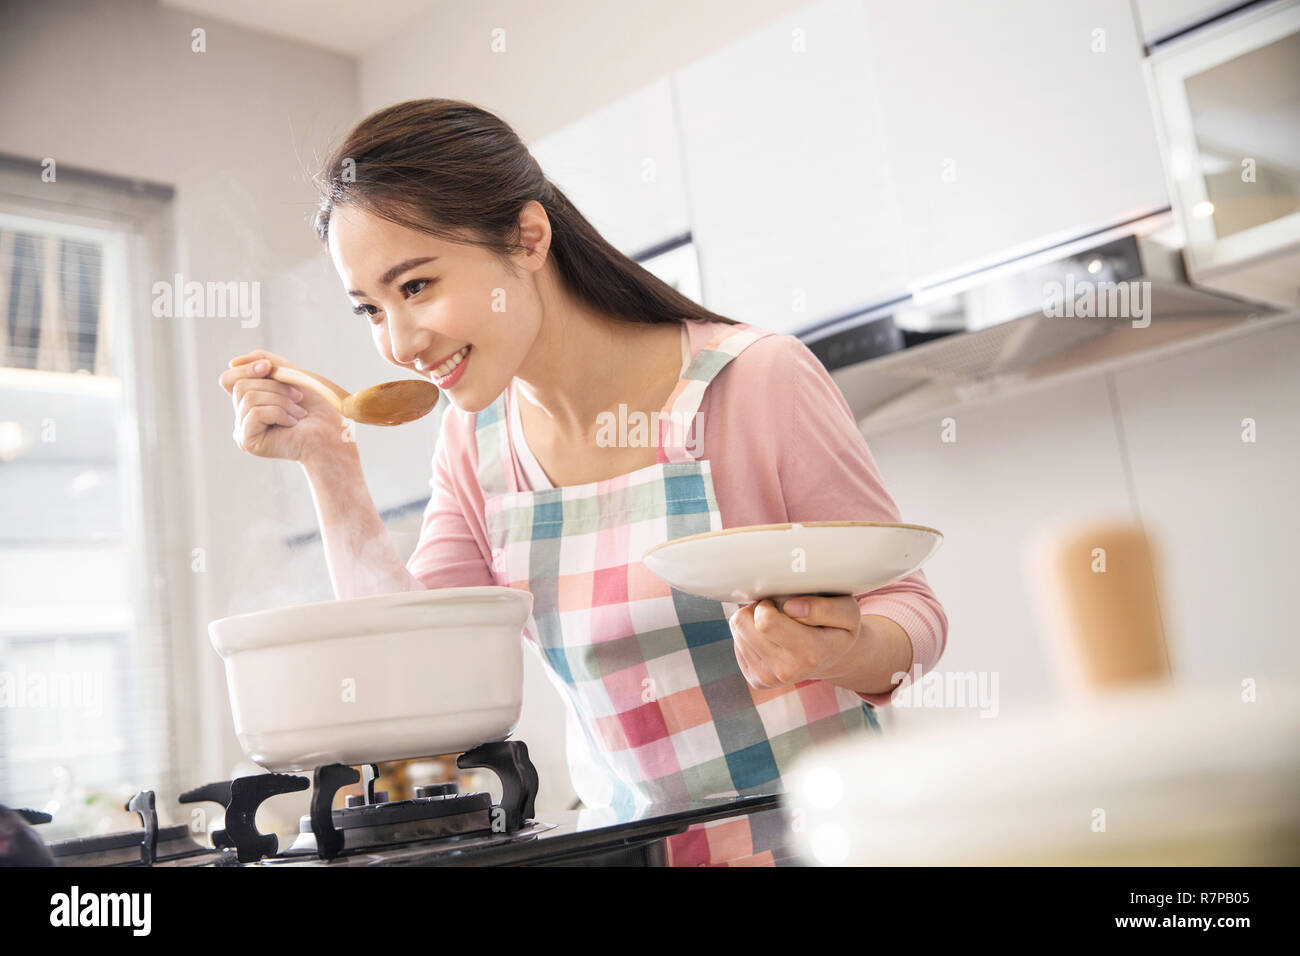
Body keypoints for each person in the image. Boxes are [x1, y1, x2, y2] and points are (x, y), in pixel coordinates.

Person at [218, 99, 948, 866]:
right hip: (636, 851)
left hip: (834, 842)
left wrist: (838, 648)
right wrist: (330, 464)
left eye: (417, 287)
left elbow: (911, 614)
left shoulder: (753, 379)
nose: (399, 343)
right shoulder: (475, 441)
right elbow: (418, 682)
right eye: (370, 308)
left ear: (528, 238)